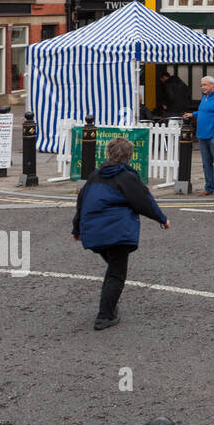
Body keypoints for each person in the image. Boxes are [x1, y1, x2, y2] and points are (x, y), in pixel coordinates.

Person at [72, 135, 170, 330]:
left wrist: (76, 229)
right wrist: (162, 219)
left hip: (94, 233)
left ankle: (110, 307)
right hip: (116, 232)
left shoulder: (94, 177)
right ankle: (104, 316)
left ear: (108, 154)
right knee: (117, 274)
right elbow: (144, 201)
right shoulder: (127, 177)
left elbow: (81, 204)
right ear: (129, 156)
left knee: (113, 269)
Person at [185, 75, 214, 197]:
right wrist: (193, 114)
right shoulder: (204, 97)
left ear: (212, 85)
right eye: (202, 85)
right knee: (206, 164)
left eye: (204, 85)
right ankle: (209, 188)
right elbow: (203, 112)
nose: (202, 87)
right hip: (202, 136)